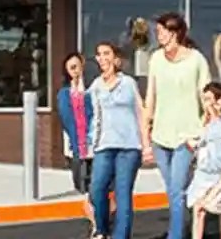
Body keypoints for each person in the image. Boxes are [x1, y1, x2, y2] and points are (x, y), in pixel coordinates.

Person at [144, 12, 212, 239]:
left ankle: (175, 235)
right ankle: (193, 219)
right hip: (160, 137)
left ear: (174, 32)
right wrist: (146, 138)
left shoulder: (196, 60)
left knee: (176, 191)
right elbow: (150, 97)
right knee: (175, 190)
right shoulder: (155, 59)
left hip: (187, 137)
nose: (158, 35)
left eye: (161, 31)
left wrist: (201, 133)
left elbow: (207, 99)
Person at [88, 42, 151, 239]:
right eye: (99, 54)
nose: (102, 58)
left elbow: (141, 112)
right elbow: (89, 115)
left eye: (106, 53)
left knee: (123, 194)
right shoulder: (96, 86)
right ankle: (102, 229)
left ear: (116, 59)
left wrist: (146, 144)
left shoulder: (128, 83)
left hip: (129, 147)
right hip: (103, 145)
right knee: (96, 189)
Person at [186, 83, 221, 239]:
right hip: (204, 171)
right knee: (198, 209)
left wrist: (213, 113)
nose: (206, 103)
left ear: (220, 100)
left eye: (209, 99)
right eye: (204, 99)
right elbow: (196, 140)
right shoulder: (203, 120)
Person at [56, 52, 97, 234]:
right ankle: (96, 224)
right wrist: (79, 146)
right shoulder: (64, 94)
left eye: (78, 66)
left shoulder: (92, 90)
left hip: (95, 147)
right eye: (72, 68)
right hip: (77, 149)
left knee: (98, 188)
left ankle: (98, 226)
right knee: (85, 189)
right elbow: (68, 121)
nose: (76, 71)